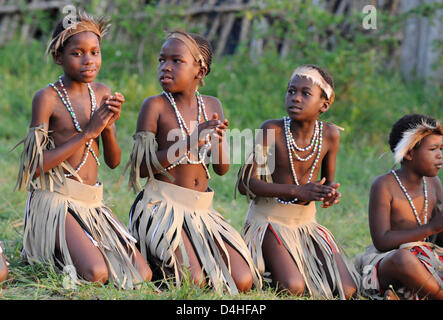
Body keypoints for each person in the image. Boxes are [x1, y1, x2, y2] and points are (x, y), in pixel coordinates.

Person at [14, 11, 151, 289]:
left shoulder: (101, 92)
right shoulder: (47, 98)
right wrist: (88, 132)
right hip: (55, 202)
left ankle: (73, 246)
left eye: (94, 52)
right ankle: (49, 249)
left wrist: (108, 126)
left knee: (141, 273)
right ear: (58, 57)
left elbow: (113, 162)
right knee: (96, 274)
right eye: (77, 53)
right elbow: (34, 165)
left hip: (91, 203)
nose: (88, 60)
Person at [121, 30, 261, 294]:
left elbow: (221, 169)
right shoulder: (155, 106)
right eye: (162, 60)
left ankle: (177, 253)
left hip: (201, 212)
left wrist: (217, 138)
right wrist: (191, 140)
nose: (166, 67)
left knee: (242, 280)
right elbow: (142, 168)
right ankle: (155, 249)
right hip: (162, 208)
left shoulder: (211, 105)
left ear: (200, 70)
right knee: (193, 281)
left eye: (176, 61)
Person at [236, 64, 360, 299]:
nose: (296, 98)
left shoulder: (330, 135)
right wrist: (296, 190)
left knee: (347, 289)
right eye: (291, 91)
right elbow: (245, 183)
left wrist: (329, 193)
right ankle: (269, 264)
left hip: (306, 225)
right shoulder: (271, 129)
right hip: (269, 222)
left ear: (324, 105)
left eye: (305, 93)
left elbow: (328, 183)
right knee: (293, 287)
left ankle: (292, 261)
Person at [355, 113, 443, 300]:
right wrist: (431, 227)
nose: (440, 156)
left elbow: (437, 239)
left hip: (427, 259)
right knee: (403, 259)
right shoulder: (384, 185)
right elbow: (382, 241)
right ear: (409, 153)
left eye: (441, 149)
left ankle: (402, 294)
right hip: (388, 261)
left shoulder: (434, 183)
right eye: (433, 149)